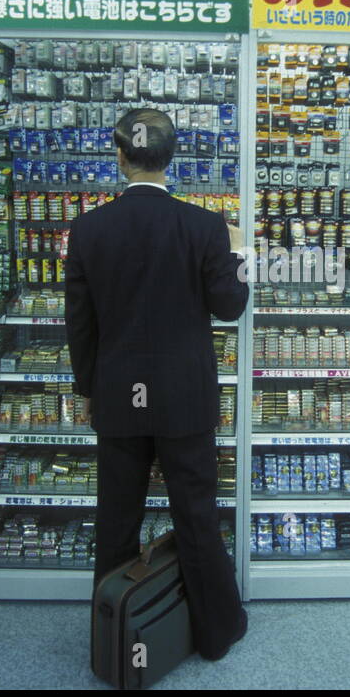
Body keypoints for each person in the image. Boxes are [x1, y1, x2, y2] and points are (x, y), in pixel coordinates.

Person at [66, 107, 248, 662]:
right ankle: (217, 632)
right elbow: (230, 307)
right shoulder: (205, 226)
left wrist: (86, 389)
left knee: (117, 517)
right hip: (184, 396)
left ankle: (111, 637)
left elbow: (81, 322)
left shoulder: (88, 228)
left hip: (119, 392)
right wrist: (238, 252)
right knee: (195, 515)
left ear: (119, 157)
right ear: (172, 158)